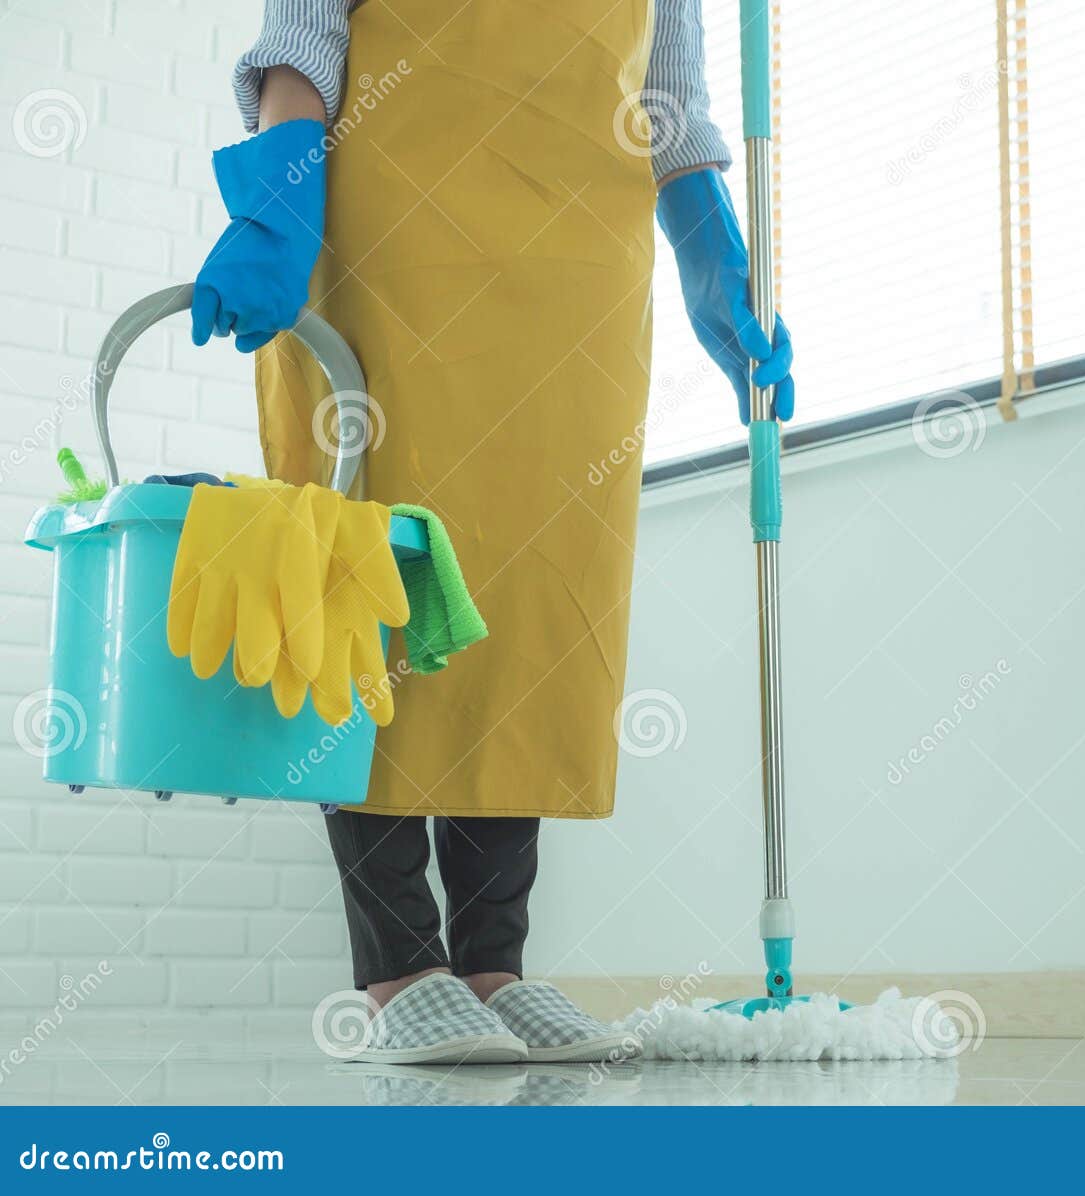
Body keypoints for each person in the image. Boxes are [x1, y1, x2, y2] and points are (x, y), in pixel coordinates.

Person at [193, 0, 794, 1064]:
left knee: (529, 580)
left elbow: (667, 99)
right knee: (366, 574)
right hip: (393, 225)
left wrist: (710, 249)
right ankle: (397, 964)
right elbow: (303, 34)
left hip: (577, 263)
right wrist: (279, 195)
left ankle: (491, 962)